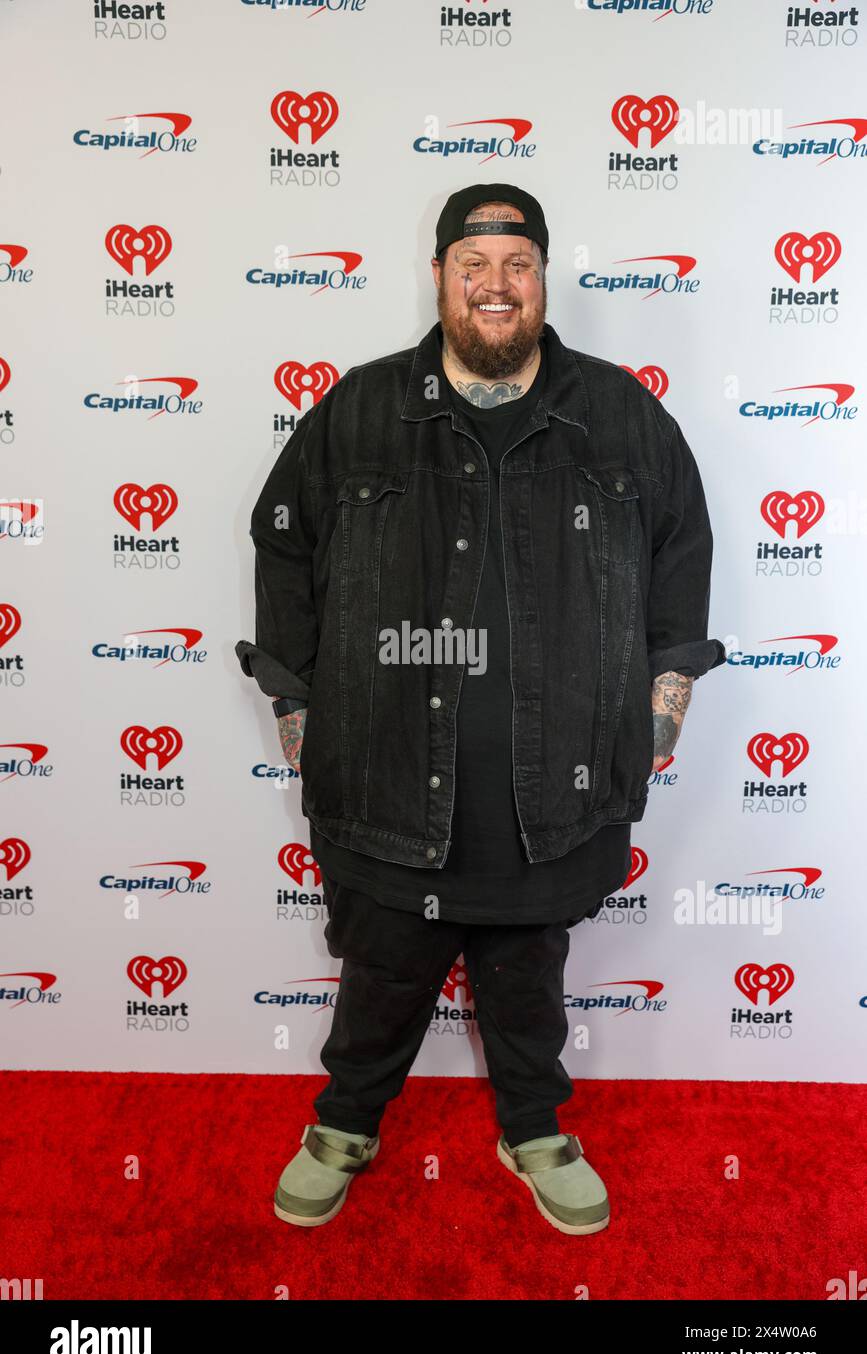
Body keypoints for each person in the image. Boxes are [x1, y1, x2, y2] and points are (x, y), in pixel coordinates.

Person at [236, 183, 726, 1235]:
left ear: (544, 280)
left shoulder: (623, 415)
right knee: (381, 971)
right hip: (384, 774)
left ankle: (535, 1125)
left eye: (518, 264)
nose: (495, 285)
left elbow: (682, 547)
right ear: (442, 277)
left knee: (526, 974)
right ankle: (345, 1122)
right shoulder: (360, 409)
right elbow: (282, 538)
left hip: (551, 788)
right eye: (475, 264)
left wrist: (661, 702)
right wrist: (298, 703)